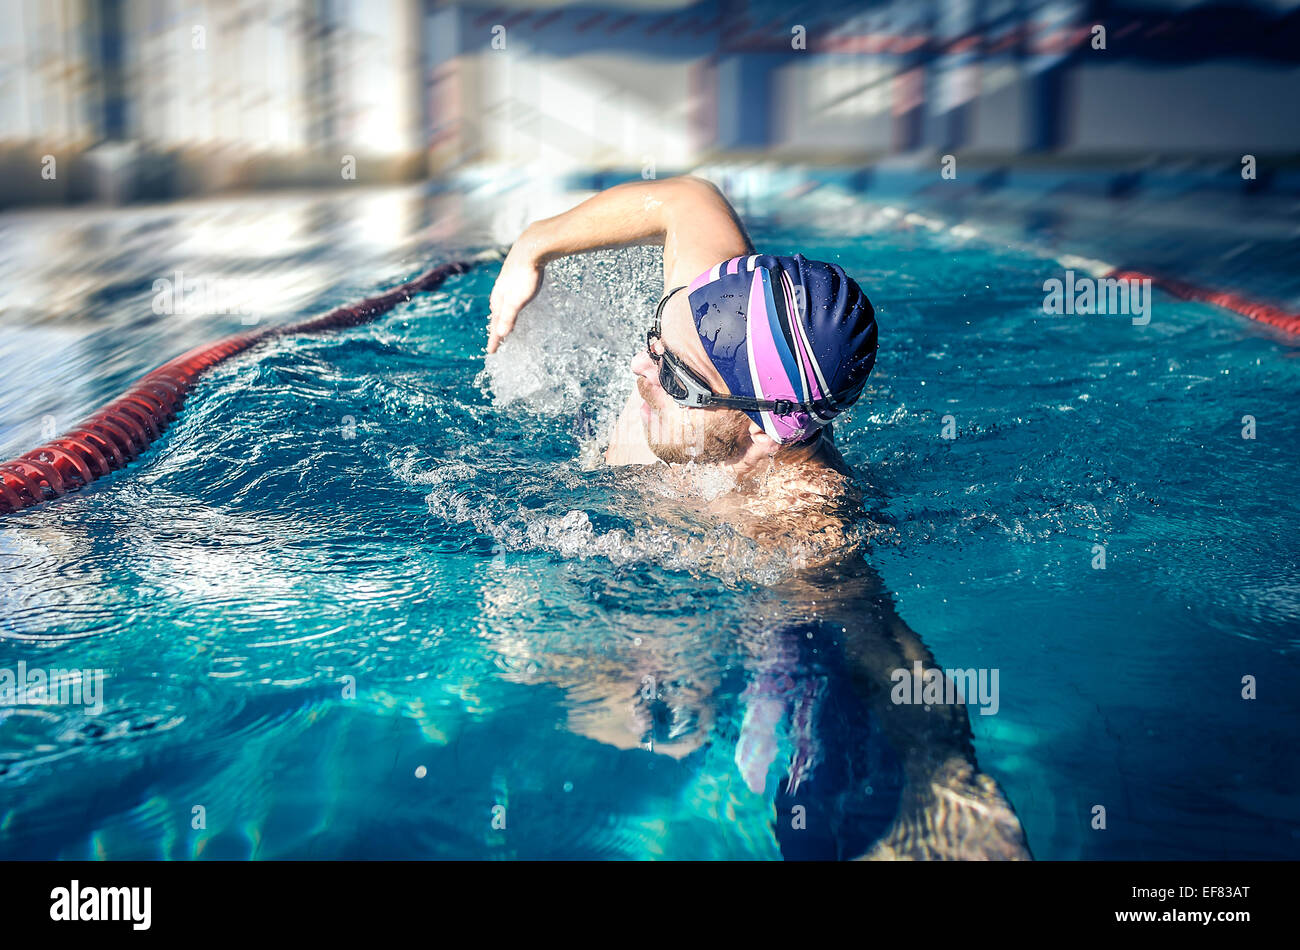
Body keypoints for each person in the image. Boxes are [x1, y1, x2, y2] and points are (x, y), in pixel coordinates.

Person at [486, 175, 1031, 859]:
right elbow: (686, 198)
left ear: (762, 430)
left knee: (645, 720)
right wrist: (534, 247)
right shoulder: (714, 314)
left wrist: (941, 772)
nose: (638, 368)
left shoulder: (795, 516)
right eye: (656, 332)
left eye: (674, 376)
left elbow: (879, 642)